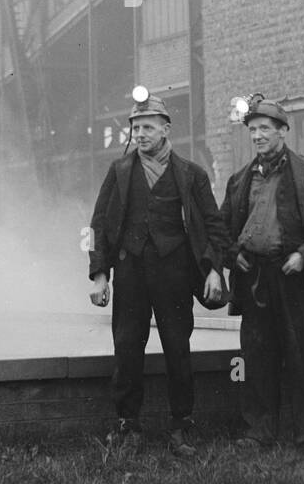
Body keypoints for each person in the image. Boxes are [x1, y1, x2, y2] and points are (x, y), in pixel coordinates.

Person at [87, 89, 229, 457]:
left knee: (177, 349)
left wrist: (214, 270)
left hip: (175, 275)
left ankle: (181, 427)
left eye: (148, 127)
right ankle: (128, 425)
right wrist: (100, 275)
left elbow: (214, 226)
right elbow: (99, 224)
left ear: (166, 129)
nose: (140, 135)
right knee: (127, 347)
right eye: (135, 128)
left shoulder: (191, 175)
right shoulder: (118, 172)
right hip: (130, 273)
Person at [220, 93, 304, 456]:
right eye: (253, 130)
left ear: (282, 132)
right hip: (253, 276)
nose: (257, 136)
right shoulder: (240, 179)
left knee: (300, 353)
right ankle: (259, 432)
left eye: (264, 129)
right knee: (256, 354)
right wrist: (233, 255)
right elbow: (221, 227)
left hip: (291, 276)